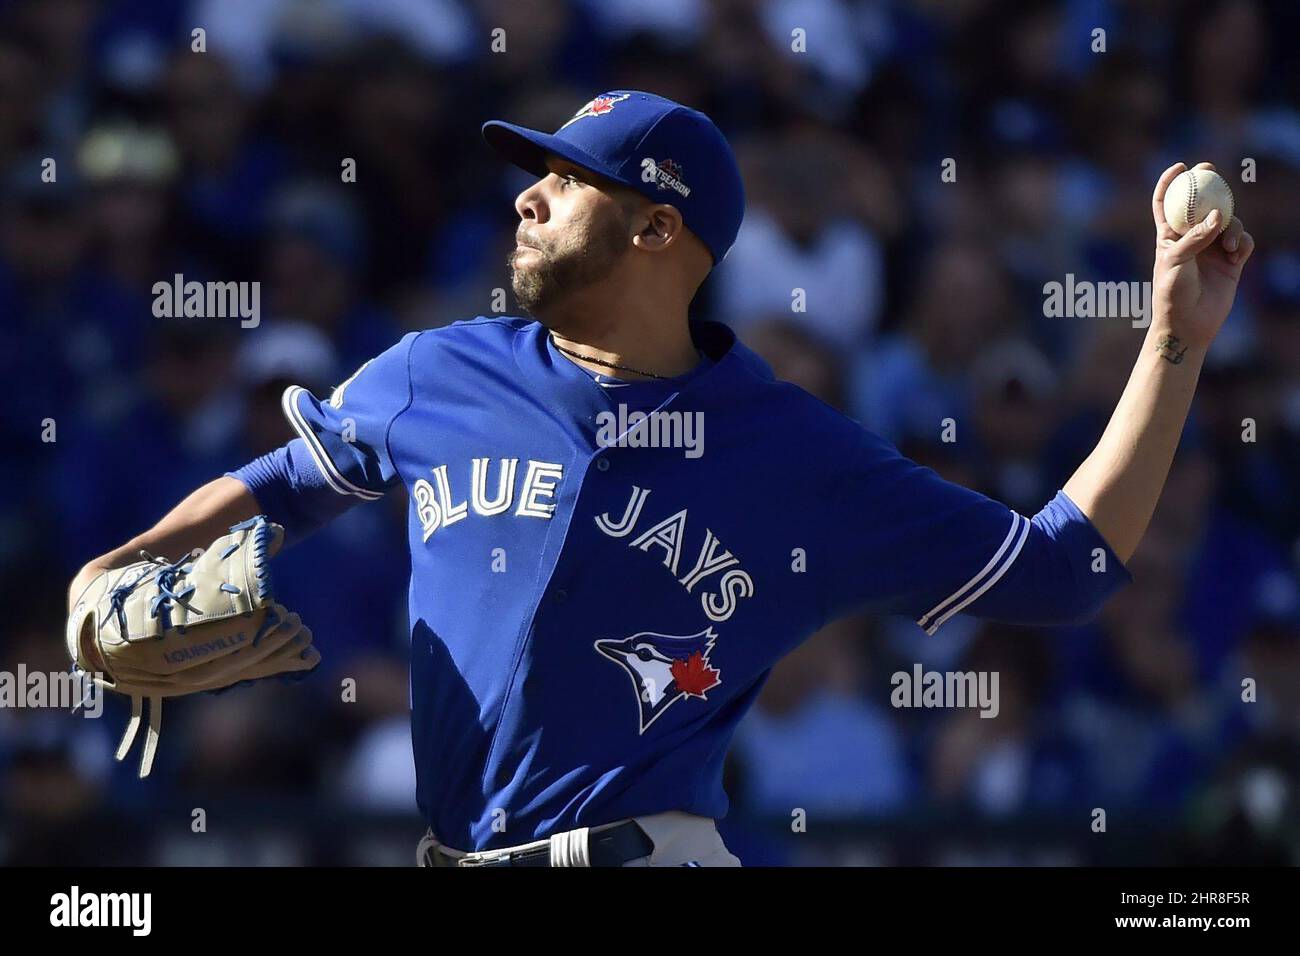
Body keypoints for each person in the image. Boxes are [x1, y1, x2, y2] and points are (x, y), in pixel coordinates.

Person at [68, 90, 1256, 867]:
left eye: (567, 178)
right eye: (533, 173)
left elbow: (1065, 565)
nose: (526, 194)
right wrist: (113, 572)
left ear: (655, 231)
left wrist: (1172, 343)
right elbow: (274, 484)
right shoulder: (436, 374)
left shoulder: (790, 450)